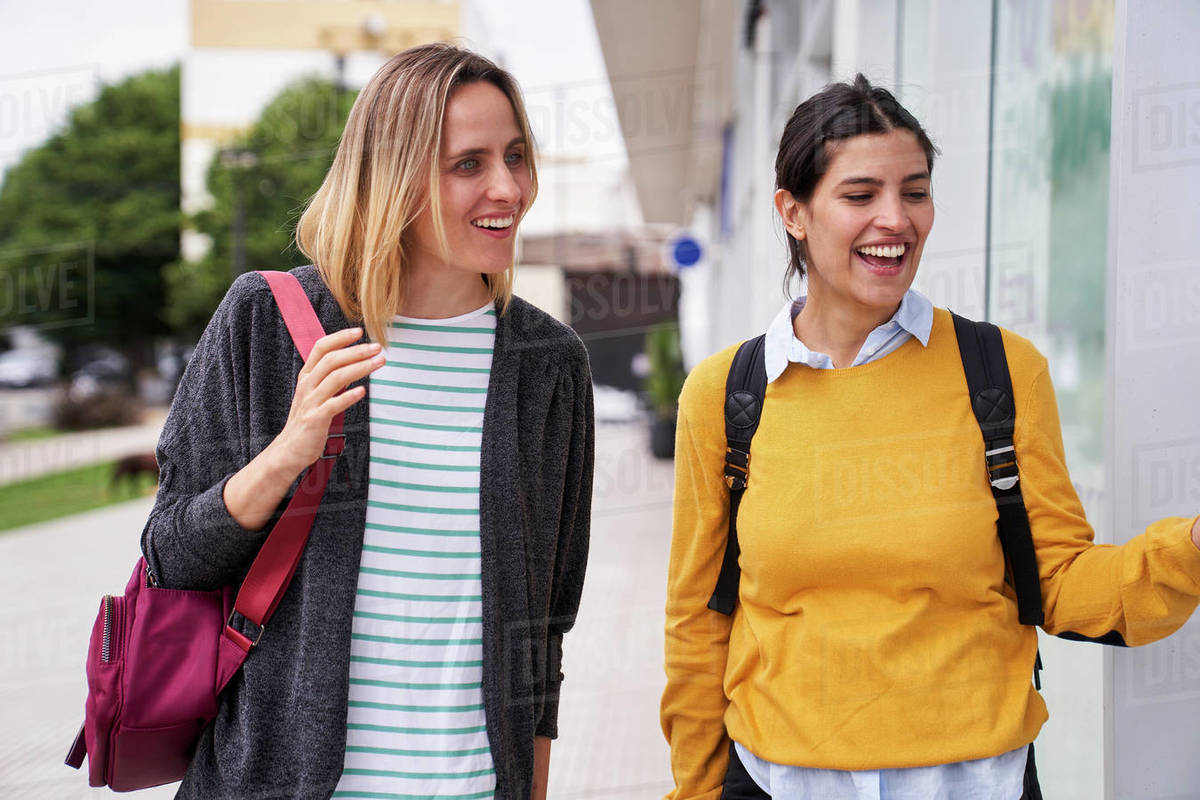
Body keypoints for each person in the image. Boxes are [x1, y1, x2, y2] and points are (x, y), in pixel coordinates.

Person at [660, 74, 1200, 800]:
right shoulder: (728, 396)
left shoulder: (1000, 372)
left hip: (978, 781)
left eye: (914, 192)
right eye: (861, 196)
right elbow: (699, 622)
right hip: (776, 779)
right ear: (793, 212)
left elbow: (1063, 582)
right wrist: (693, 791)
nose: (896, 219)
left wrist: (1189, 549)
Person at [142, 43, 593, 800]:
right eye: (468, 164)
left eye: (516, 157)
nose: (509, 188)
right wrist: (285, 456)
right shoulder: (268, 322)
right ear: (391, 178)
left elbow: (545, 629)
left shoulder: (548, 366)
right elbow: (171, 555)